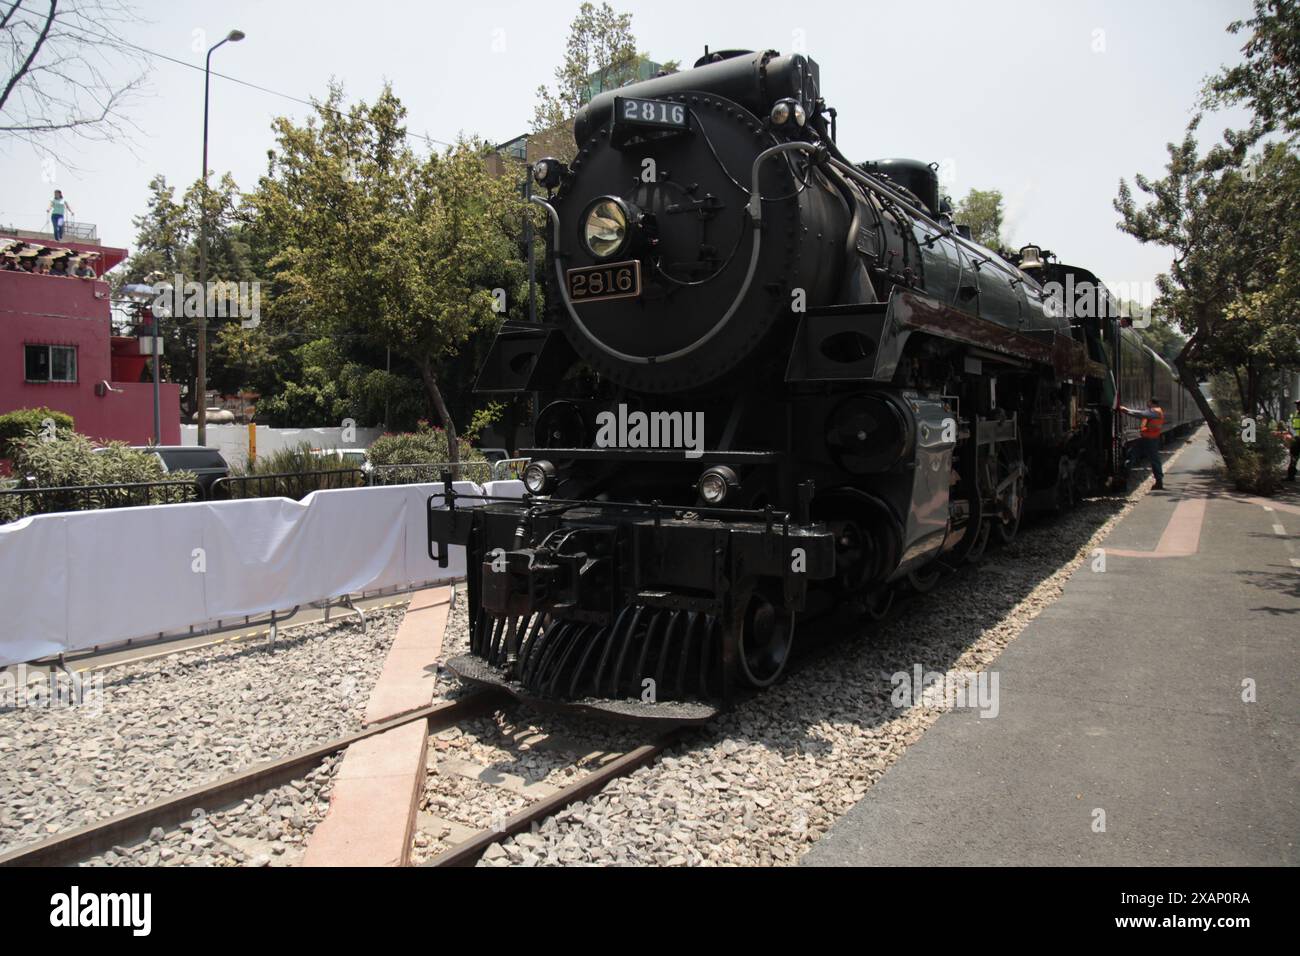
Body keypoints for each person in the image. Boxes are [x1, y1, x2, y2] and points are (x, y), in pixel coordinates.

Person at [1120, 396, 1166, 490]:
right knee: (1132, 455)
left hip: (1150, 440)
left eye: (1148, 402)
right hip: (1147, 439)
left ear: (1151, 402)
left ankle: (1159, 482)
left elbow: (1140, 414)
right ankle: (1123, 480)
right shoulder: (1155, 411)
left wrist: (1126, 410)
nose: (1147, 404)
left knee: (1152, 459)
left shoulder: (1155, 411)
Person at [1285, 399, 1300, 482]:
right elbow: (1290, 427)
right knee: (1293, 458)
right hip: (1296, 440)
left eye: (1299, 405)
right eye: (1297, 405)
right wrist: (1294, 435)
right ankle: (1291, 476)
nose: (1298, 406)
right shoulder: (1294, 415)